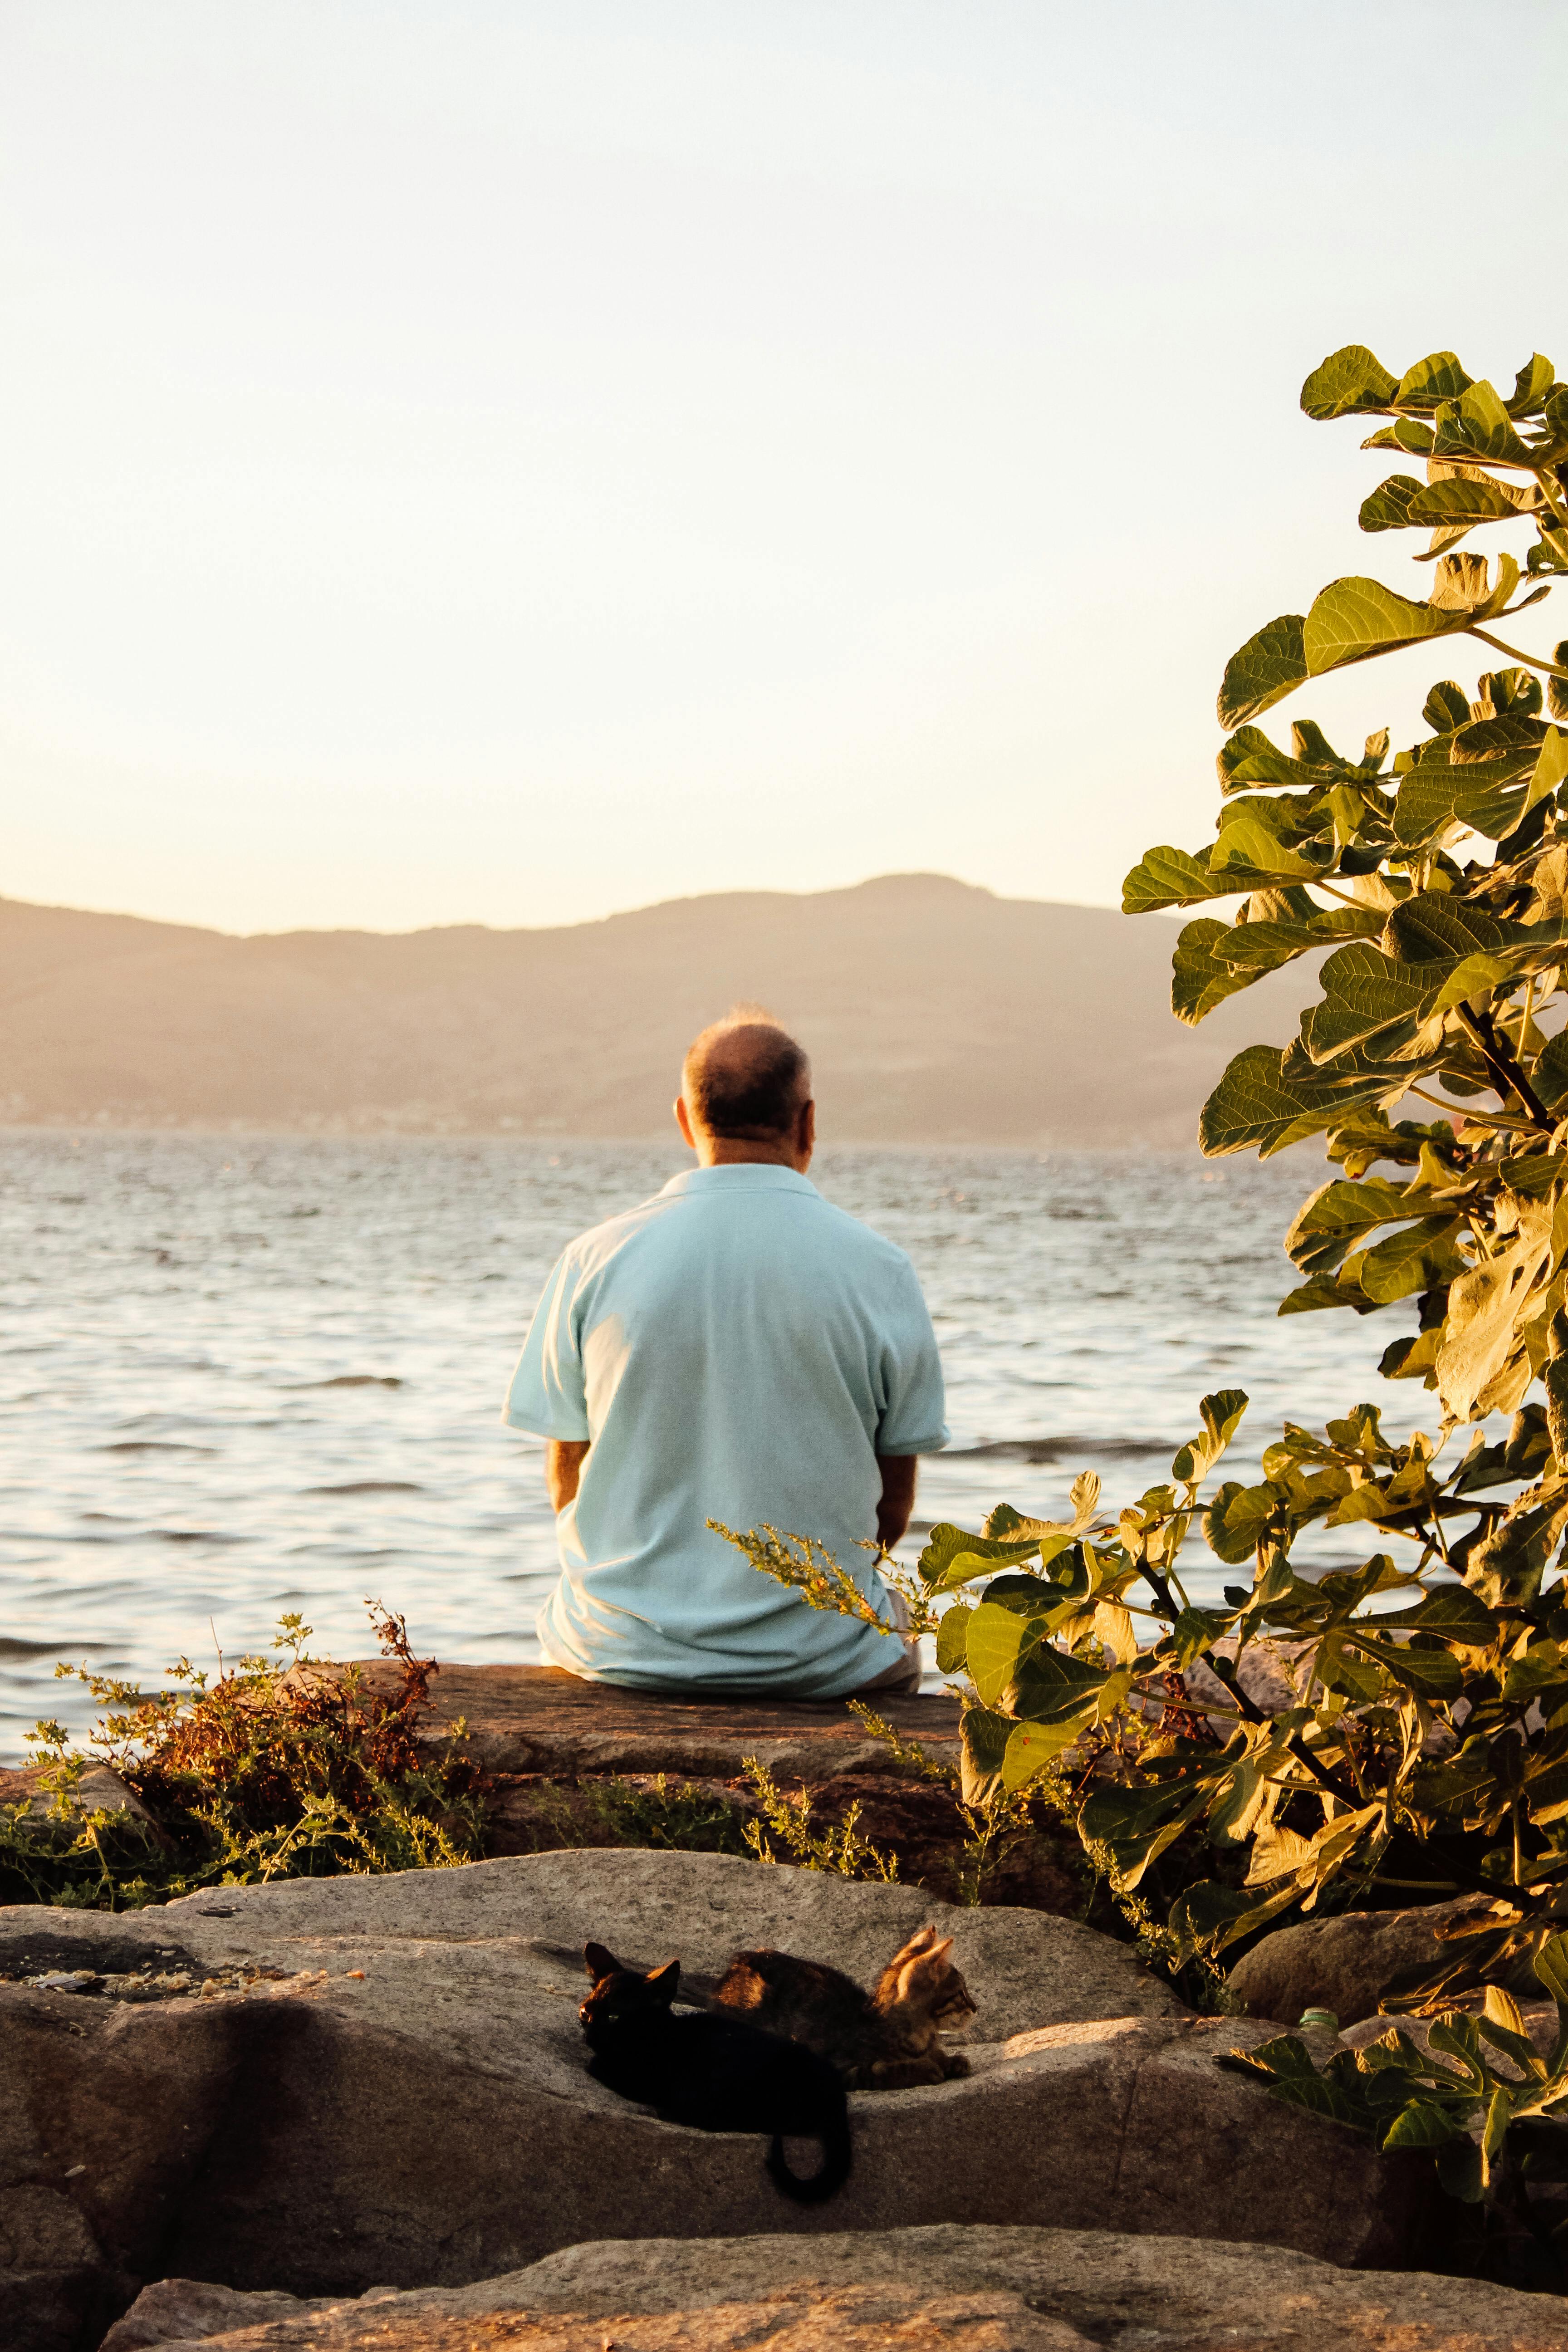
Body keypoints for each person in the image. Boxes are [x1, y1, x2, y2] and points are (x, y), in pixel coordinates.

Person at [502, 1008, 948, 1695]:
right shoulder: (879, 1269)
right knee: (897, 1632)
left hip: (620, 1649)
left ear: (685, 1120)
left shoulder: (594, 1258)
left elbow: (568, 1474)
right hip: (818, 1660)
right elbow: (890, 1510)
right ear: (807, 1124)